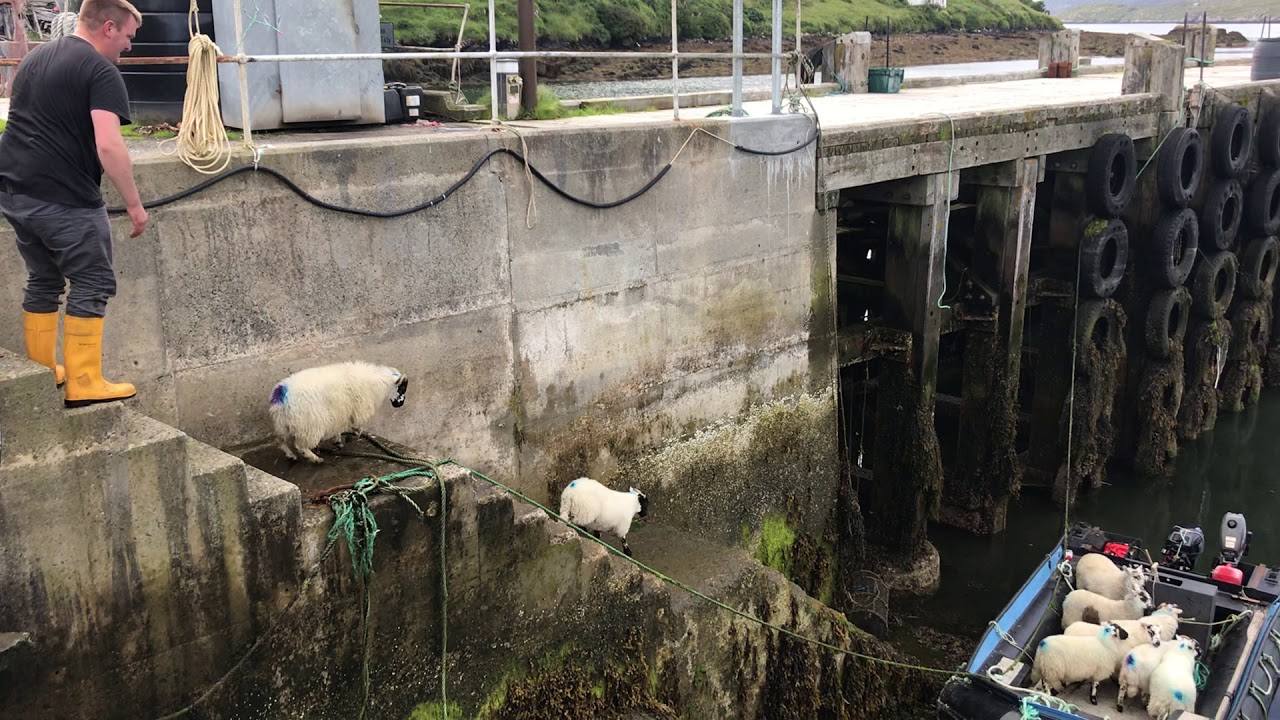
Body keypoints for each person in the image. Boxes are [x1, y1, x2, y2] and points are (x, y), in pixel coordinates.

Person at [0, 0, 147, 408]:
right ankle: (84, 381)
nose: (129, 47)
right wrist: (134, 206)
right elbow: (109, 144)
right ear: (108, 28)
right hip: (65, 198)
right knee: (93, 282)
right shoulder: (101, 71)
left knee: (44, 280)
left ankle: (44, 372)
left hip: (14, 192)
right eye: (129, 37)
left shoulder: (37, 58)